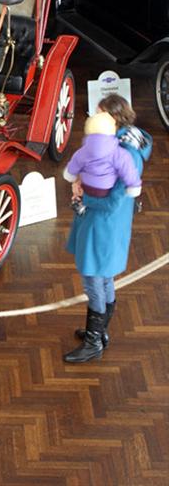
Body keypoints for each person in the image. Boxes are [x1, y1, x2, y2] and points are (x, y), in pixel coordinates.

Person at [64, 94, 152, 363]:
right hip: (104, 223)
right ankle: (99, 332)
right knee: (104, 277)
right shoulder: (119, 144)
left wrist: (83, 197)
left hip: (104, 225)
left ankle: (94, 341)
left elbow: (114, 200)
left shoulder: (124, 153)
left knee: (94, 278)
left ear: (112, 118)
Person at [63, 110, 141, 209]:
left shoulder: (84, 150)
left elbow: (75, 163)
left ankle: (80, 202)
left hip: (87, 186)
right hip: (105, 189)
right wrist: (134, 186)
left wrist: (71, 176)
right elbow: (128, 171)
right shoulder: (118, 153)